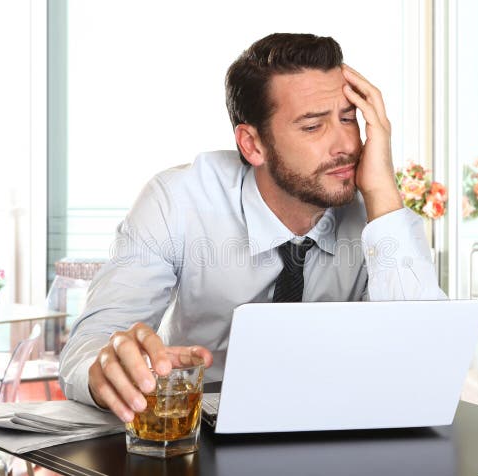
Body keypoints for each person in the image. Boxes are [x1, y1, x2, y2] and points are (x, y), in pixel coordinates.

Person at [59, 33, 446, 422]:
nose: (345, 143)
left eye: (349, 119)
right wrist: (108, 371)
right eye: (313, 127)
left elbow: (428, 361)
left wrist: (382, 191)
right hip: (199, 439)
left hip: (335, 430)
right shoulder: (177, 202)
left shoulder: (376, 218)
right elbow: (90, 344)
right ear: (252, 144)